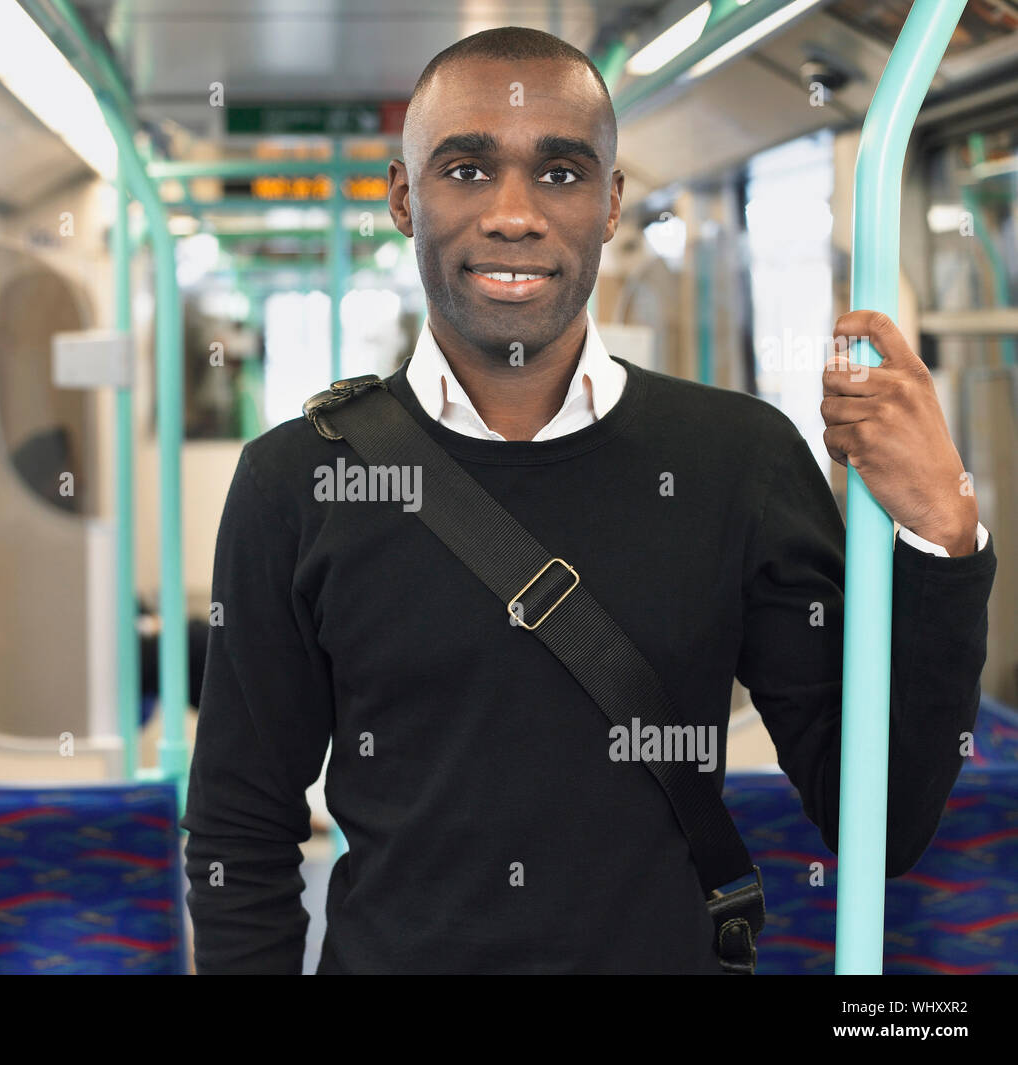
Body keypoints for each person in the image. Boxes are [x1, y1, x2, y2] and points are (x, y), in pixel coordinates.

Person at [181, 27, 997, 974]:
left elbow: (881, 820)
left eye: (561, 173)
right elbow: (243, 828)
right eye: (466, 170)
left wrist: (945, 534)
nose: (514, 215)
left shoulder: (738, 459)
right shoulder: (298, 480)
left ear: (610, 204)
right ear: (404, 199)